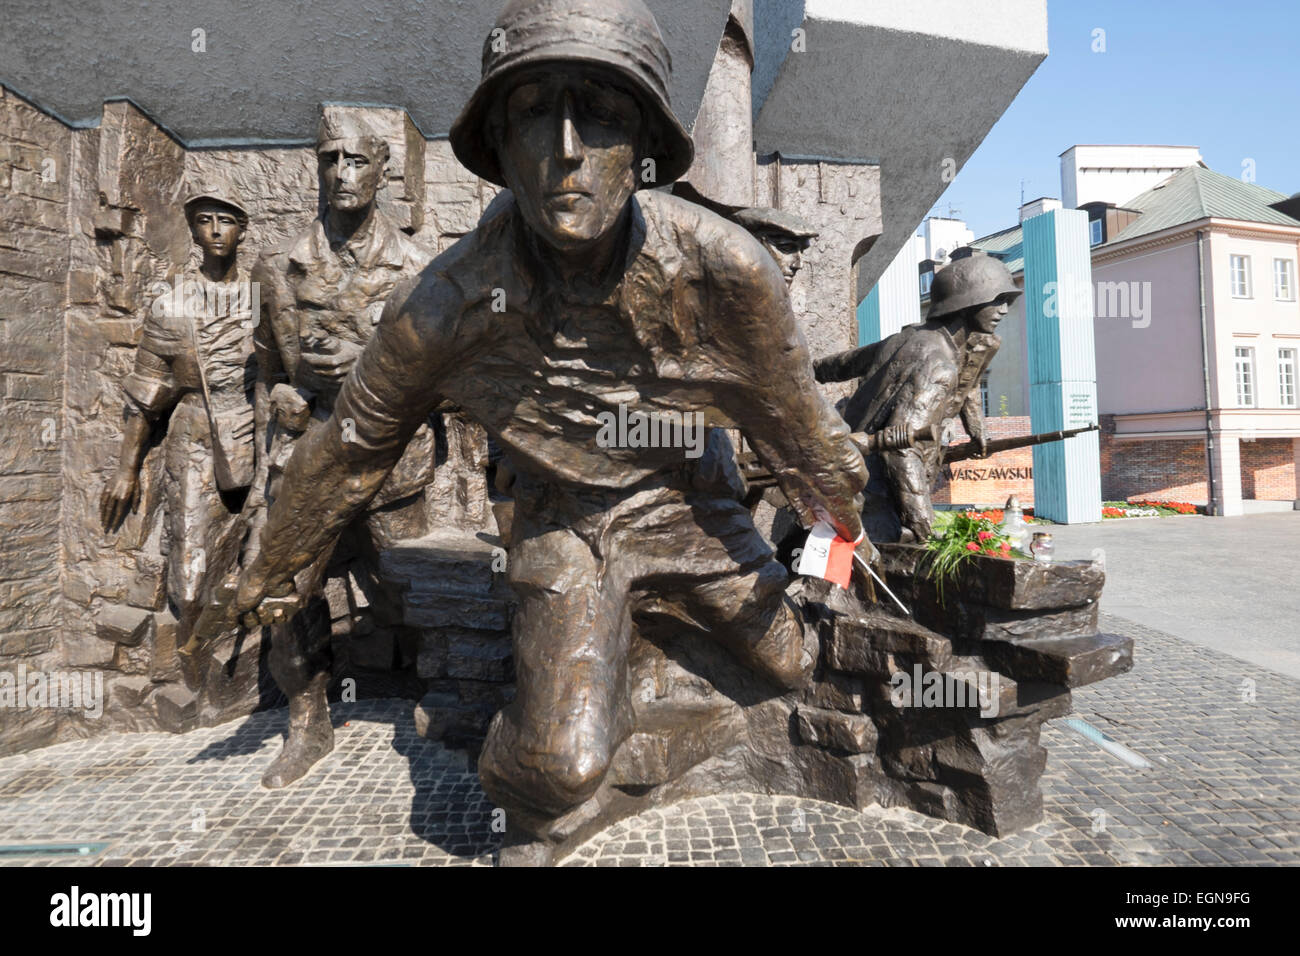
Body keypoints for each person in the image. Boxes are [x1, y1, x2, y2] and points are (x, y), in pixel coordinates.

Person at [234, 0, 868, 850]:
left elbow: (807, 439)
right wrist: (273, 564)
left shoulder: (726, 273)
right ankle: (578, 730)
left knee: (787, 660)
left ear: (644, 146)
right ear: (498, 148)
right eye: (535, 113)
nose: (567, 150)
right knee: (554, 768)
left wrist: (844, 525)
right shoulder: (447, 301)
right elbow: (353, 447)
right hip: (560, 519)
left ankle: (639, 701)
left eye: (601, 113)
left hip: (687, 499)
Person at [244, 110, 436, 788]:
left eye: (355, 160)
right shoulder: (280, 268)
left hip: (392, 460)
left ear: (383, 171)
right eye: (329, 160)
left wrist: (366, 369)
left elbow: (443, 378)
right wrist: (282, 397)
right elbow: (268, 370)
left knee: (420, 586)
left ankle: (443, 705)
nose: (341, 173)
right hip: (309, 457)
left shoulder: (416, 267)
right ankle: (308, 722)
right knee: (286, 590)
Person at [101, 184, 257, 653]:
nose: (214, 231)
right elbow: (147, 394)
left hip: (256, 426)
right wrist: (127, 468)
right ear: (192, 229)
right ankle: (198, 651)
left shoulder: (263, 298)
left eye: (225, 220)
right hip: (193, 431)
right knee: (188, 579)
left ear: (242, 231)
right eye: (204, 220)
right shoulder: (172, 306)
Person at [814, 252, 1022, 543]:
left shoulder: (914, 338)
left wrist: (977, 429)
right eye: (996, 300)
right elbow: (899, 448)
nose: (1003, 310)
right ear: (967, 303)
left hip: (853, 477)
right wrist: (925, 523)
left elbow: (844, 363)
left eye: (1006, 302)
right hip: (874, 492)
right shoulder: (939, 365)